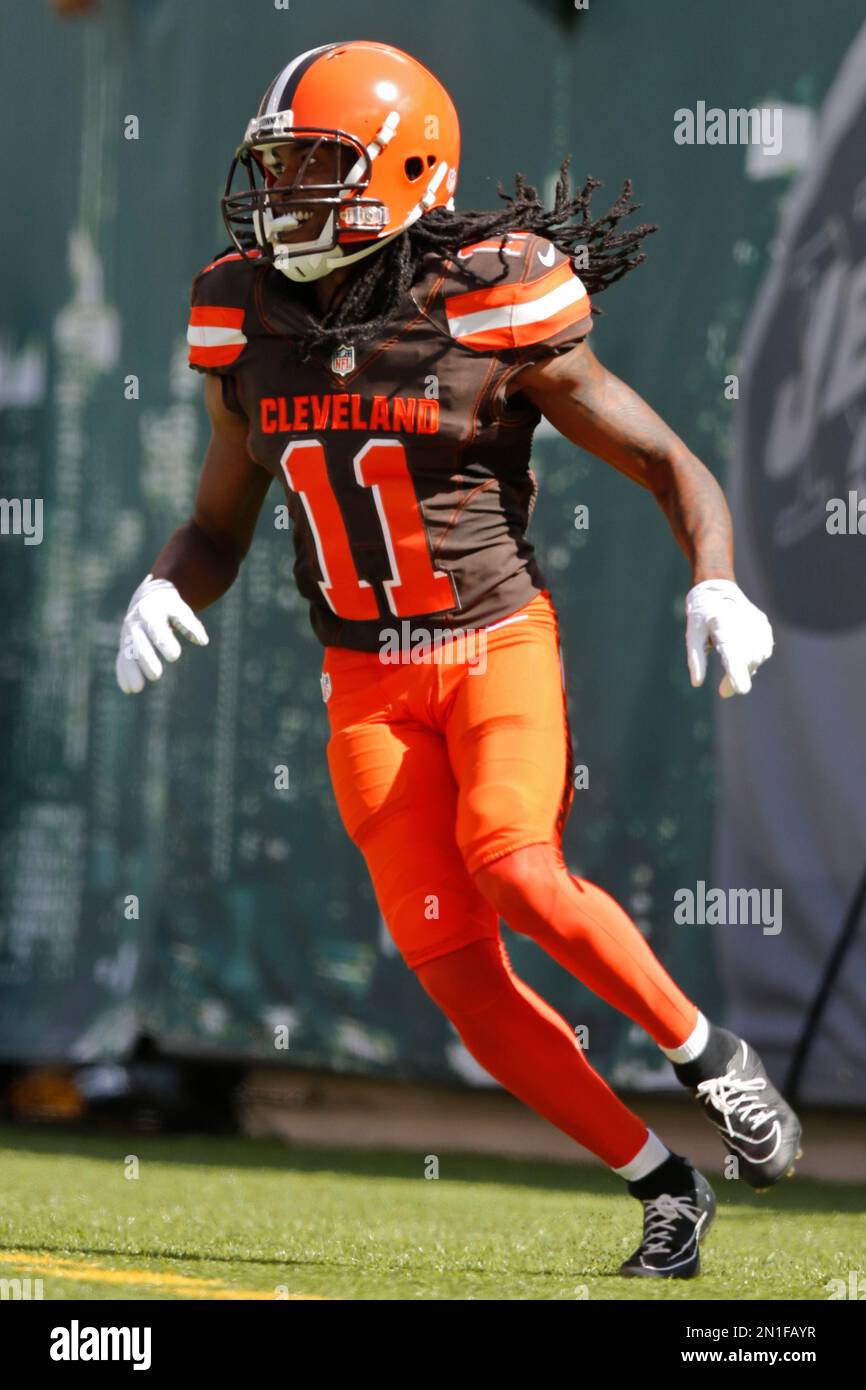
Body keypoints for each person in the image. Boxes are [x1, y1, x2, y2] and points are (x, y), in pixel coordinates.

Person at [116, 40, 801, 1279]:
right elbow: (219, 521)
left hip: (489, 641)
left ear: (409, 171)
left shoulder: (486, 296)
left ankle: (713, 1060)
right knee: (450, 964)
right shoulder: (244, 308)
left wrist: (714, 575)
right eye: (277, 169)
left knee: (515, 864)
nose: (285, 200)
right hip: (362, 679)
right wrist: (164, 583)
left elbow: (665, 462)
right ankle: (660, 1183)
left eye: (319, 169)